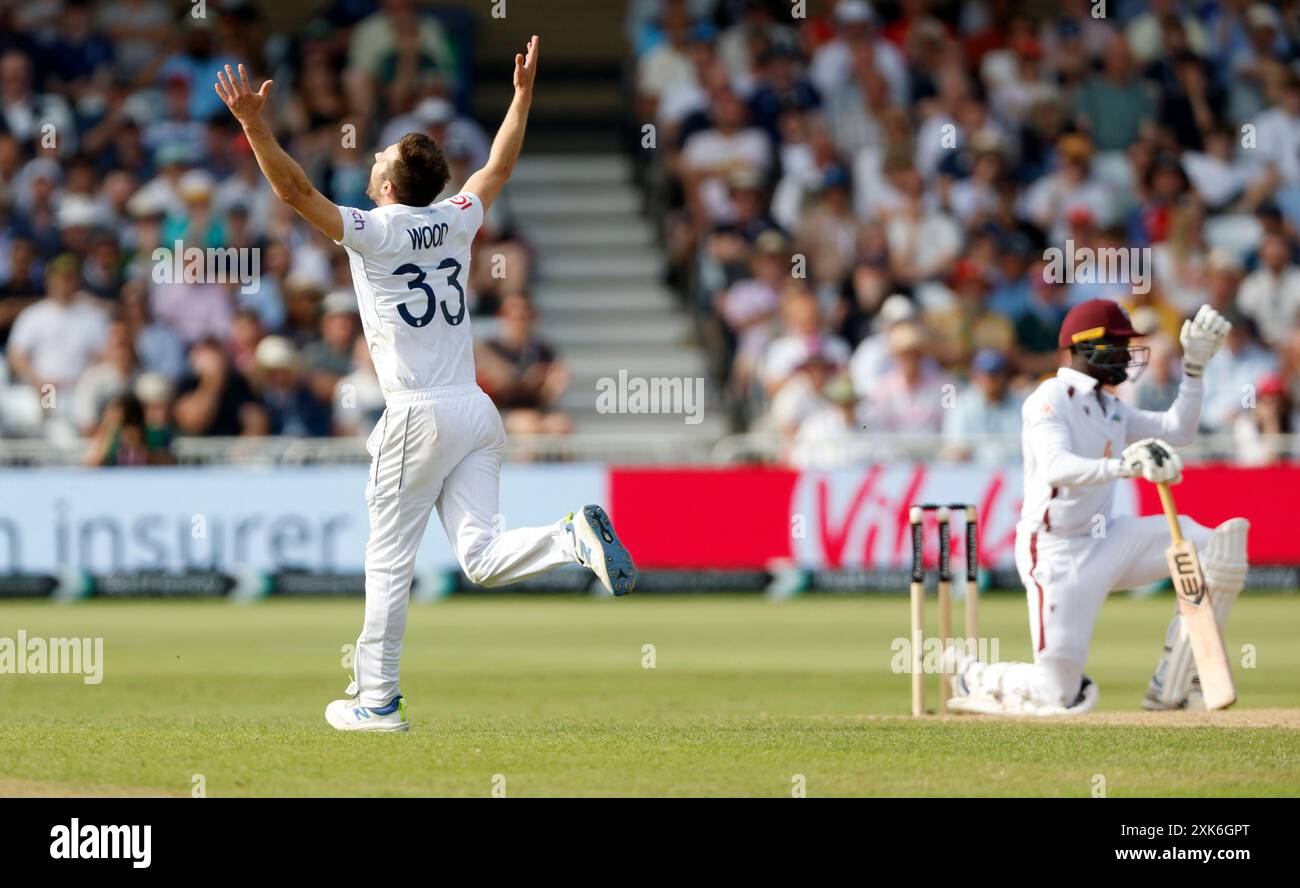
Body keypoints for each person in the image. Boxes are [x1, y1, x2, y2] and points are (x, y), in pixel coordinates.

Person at [214, 38, 636, 734]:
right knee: (480, 557)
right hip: (474, 408)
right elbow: (499, 163)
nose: (373, 163)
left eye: (378, 160)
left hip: (417, 414)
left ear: (386, 186)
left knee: (386, 563)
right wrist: (522, 95)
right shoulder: (458, 217)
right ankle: (569, 539)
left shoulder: (374, 231)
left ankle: (377, 702)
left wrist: (254, 124)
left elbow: (292, 191)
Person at [946, 299, 1249, 715]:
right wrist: (1125, 465)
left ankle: (1171, 684)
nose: (1127, 355)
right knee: (1060, 695)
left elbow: (1179, 430)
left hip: (1108, 539)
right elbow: (1056, 467)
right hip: (1056, 553)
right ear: (1085, 347)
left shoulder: (1111, 407)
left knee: (1212, 547)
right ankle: (976, 676)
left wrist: (1194, 367)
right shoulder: (1049, 396)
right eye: (1119, 345)